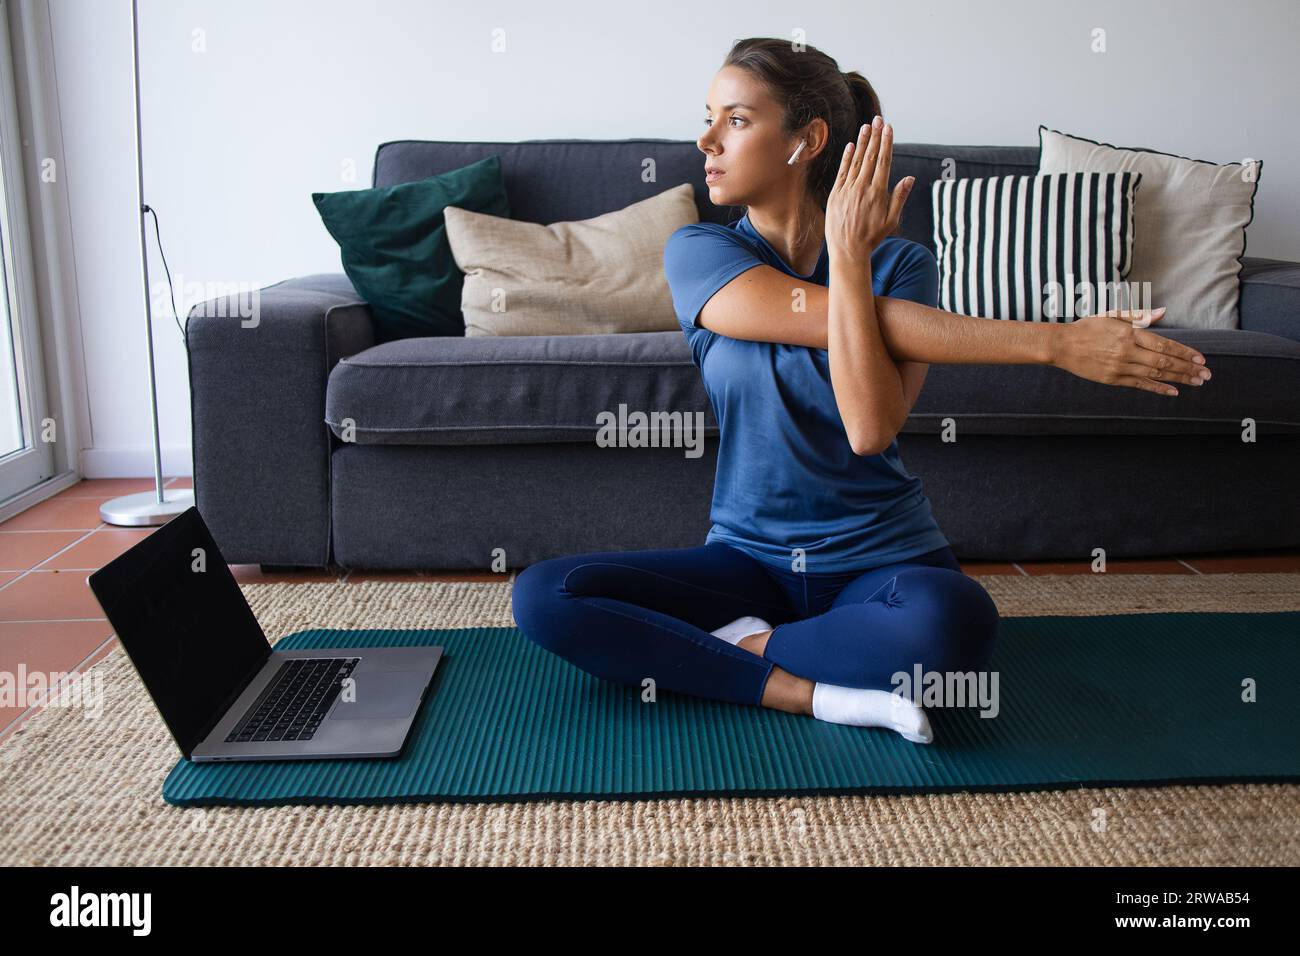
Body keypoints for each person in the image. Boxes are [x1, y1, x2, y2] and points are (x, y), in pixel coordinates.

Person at [511, 38, 1211, 743]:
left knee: (955, 622)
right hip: (747, 563)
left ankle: (744, 650)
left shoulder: (903, 264)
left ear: (805, 141)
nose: (706, 139)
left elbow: (870, 428)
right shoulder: (700, 252)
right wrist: (1056, 342)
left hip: (885, 560)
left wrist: (848, 257)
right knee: (546, 595)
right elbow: (813, 315)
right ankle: (804, 691)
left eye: (737, 120)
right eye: (709, 117)